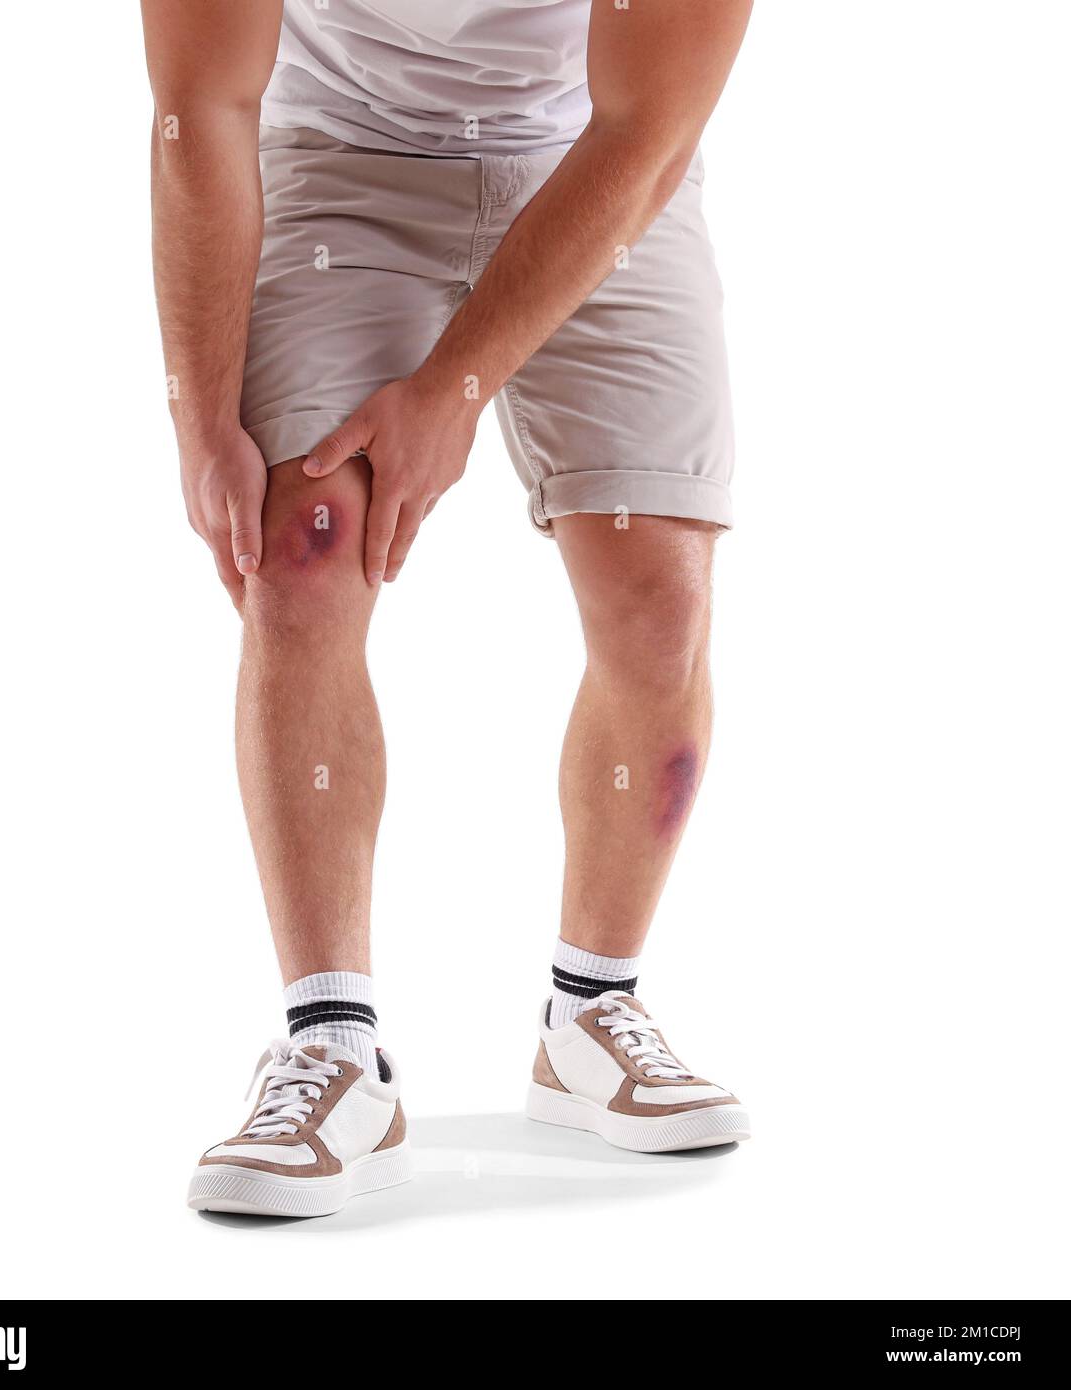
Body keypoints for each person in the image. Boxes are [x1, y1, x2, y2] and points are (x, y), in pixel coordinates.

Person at [141, 0, 753, 1218]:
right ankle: (333, 1048)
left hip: (593, 154)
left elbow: (649, 122)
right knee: (300, 553)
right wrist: (198, 415)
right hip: (341, 158)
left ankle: (589, 1011)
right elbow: (200, 104)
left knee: (655, 601)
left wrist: (454, 387)